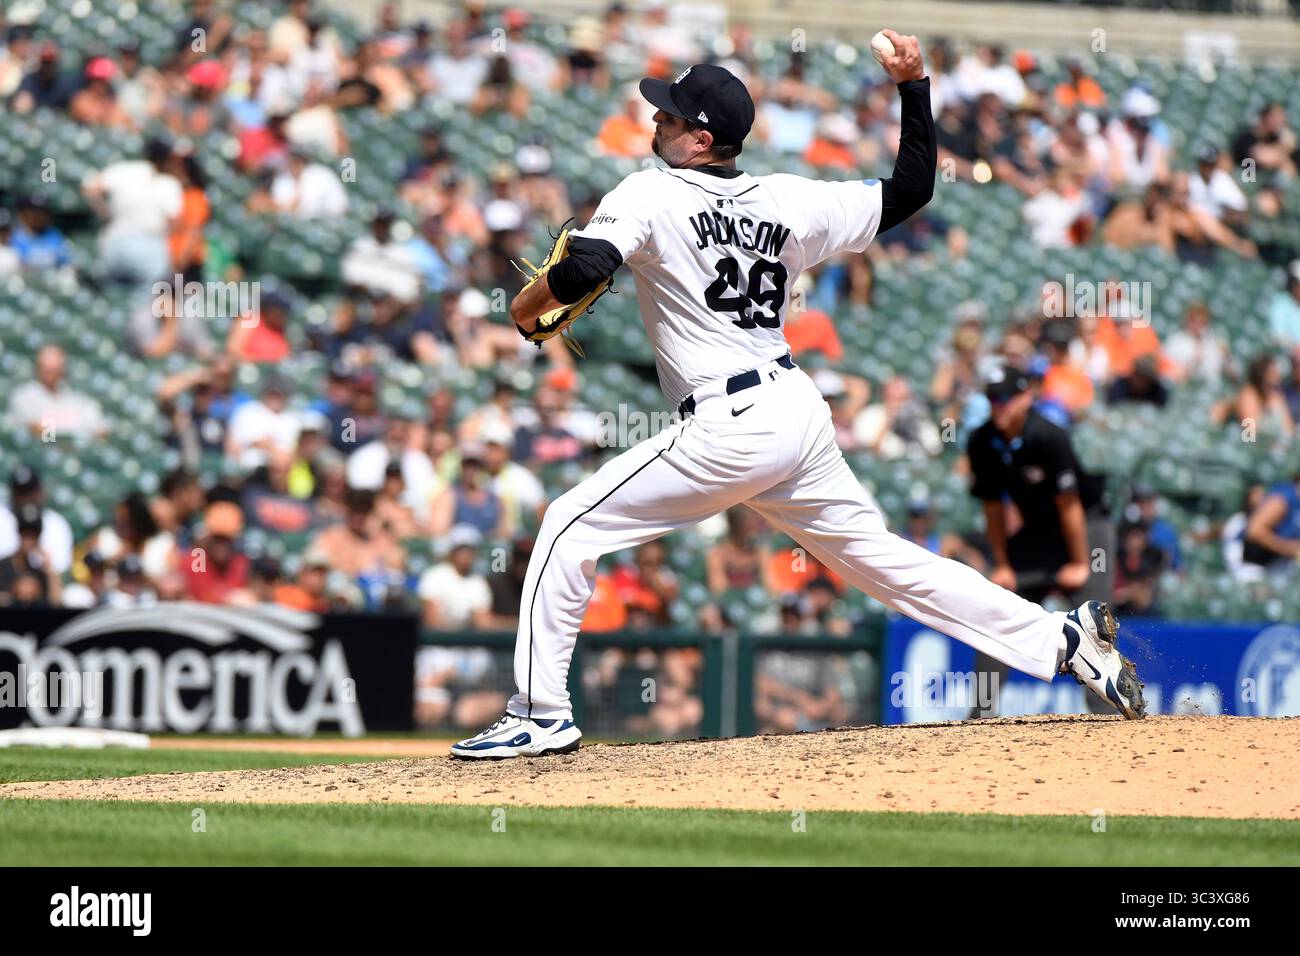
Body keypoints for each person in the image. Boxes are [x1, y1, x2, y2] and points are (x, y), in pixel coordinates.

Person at [452, 43, 1144, 760]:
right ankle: (1065, 640)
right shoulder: (790, 199)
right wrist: (914, 86)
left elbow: (587, 269)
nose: (657, 115)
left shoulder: (649, 191)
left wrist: (548, 288)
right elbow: (913, 189)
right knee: (885, 562)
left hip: (731, 425)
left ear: (702, 139)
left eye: (672, 111)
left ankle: (540, 713)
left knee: (568, 524)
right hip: (795, 411)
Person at [1244, 475, 1300, 572]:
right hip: (1248, 559)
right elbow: (1254, 531)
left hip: (1277, 563)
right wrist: (1290, 548)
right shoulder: (1283, 499)